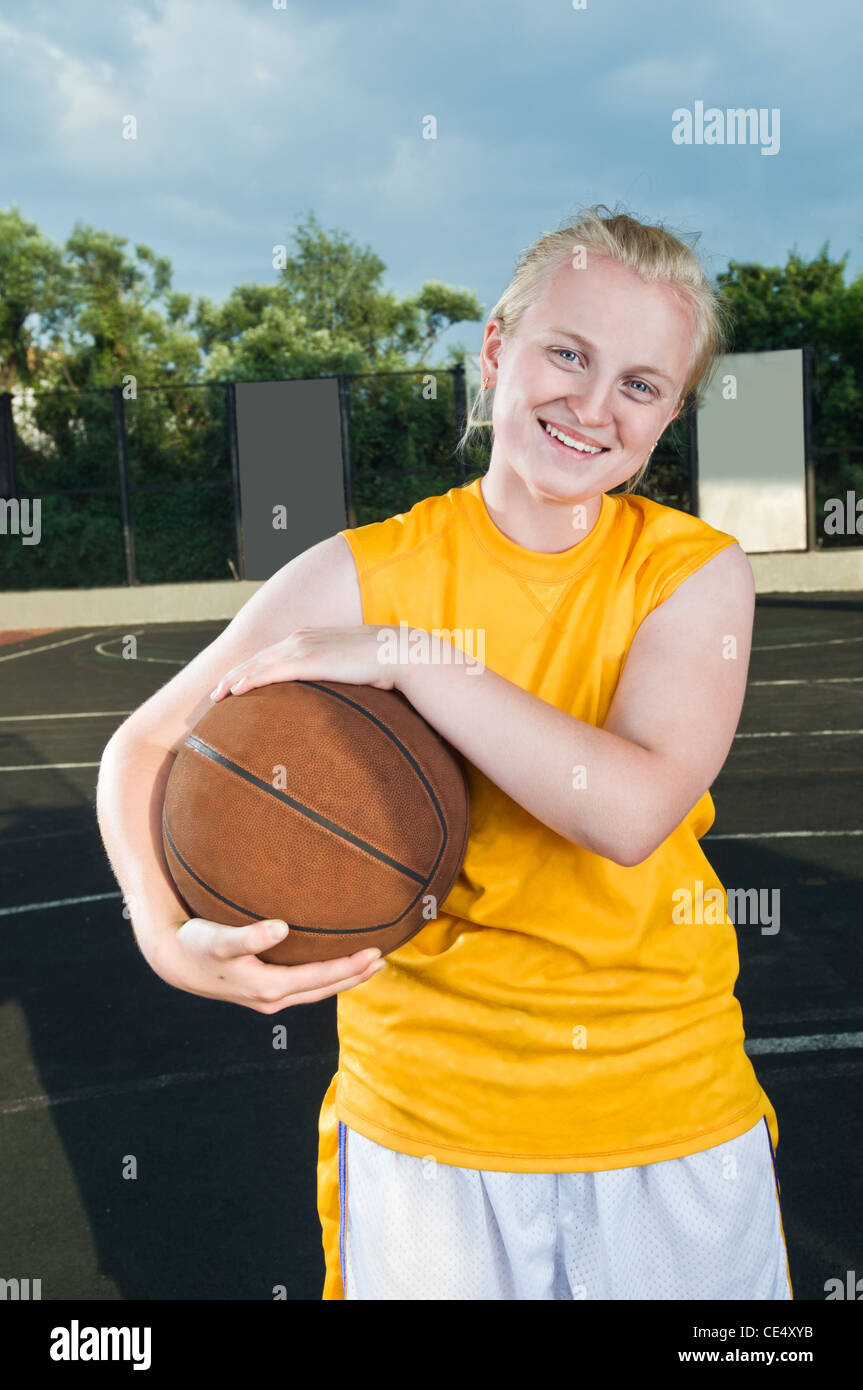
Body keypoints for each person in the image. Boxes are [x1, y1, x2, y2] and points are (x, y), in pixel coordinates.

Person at [97, 203, 792, 1301]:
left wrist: (413, 658)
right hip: (425, 1130)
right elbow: (142, 746)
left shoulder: (691, 571)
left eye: (640, 384)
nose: (592, 404)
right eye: (566, 352)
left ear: (668, 412)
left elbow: (625, 810)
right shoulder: (360, 571)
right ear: (495, 349)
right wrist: (158, 931)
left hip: (662, 1115)